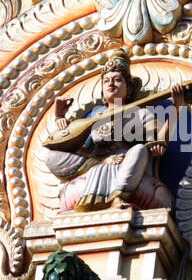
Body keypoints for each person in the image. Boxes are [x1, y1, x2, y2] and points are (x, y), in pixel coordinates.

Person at [41, 49, 180, 211]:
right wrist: (60, 118)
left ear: (129, 88)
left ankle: (118, 195)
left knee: (140, 150)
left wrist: (176, 109)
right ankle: (102, 175)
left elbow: (157, 142)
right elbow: (79, 149)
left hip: (127, 166)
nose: (111, 84)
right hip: (96, 165)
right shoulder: (94, 118)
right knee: (50, 156)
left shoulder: (140, 114)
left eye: (117, 80)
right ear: (102, 89)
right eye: (106, 81)